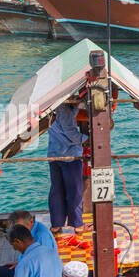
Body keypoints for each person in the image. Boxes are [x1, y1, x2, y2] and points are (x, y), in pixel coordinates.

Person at [48, 99, 87, 234]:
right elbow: (72, 134)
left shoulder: (52, 107)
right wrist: (87, 139)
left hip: (54, 154)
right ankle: (78, 225)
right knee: (74, 192)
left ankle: (56, 225)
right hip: (69, 156)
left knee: (57, 191)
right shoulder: (64, 110)